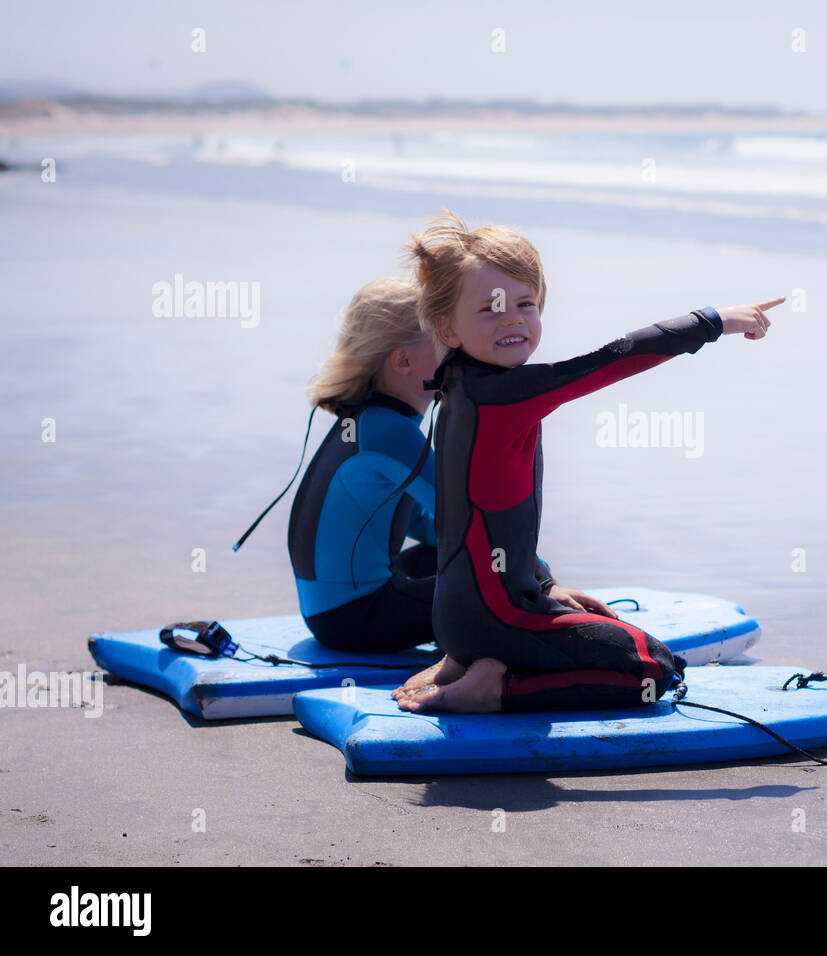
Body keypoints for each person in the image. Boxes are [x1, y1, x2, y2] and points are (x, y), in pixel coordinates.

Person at [391, 210, 781, 713]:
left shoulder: (458, 389)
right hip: (497, 617)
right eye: (490, 308)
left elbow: (473, 520)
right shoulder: (507, 395)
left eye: (526, 303)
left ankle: (466, 660)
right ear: (447, 326)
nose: (512, 318)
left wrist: (546, 584)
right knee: (653, 666)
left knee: (620, 635)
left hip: (462, 617)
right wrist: (715, 322)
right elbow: (617, 357)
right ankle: (496, 690)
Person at [238, 275, 609, 653]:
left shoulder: (370, 420)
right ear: (403, 360)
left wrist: (513, 566)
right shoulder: (388, 432)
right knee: (492, 587)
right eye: (444, 339)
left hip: (333, 614)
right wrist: (544, 584)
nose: (459, 347)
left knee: (470, 562)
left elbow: (422, 522)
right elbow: (472, 516)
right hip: (354, 619)